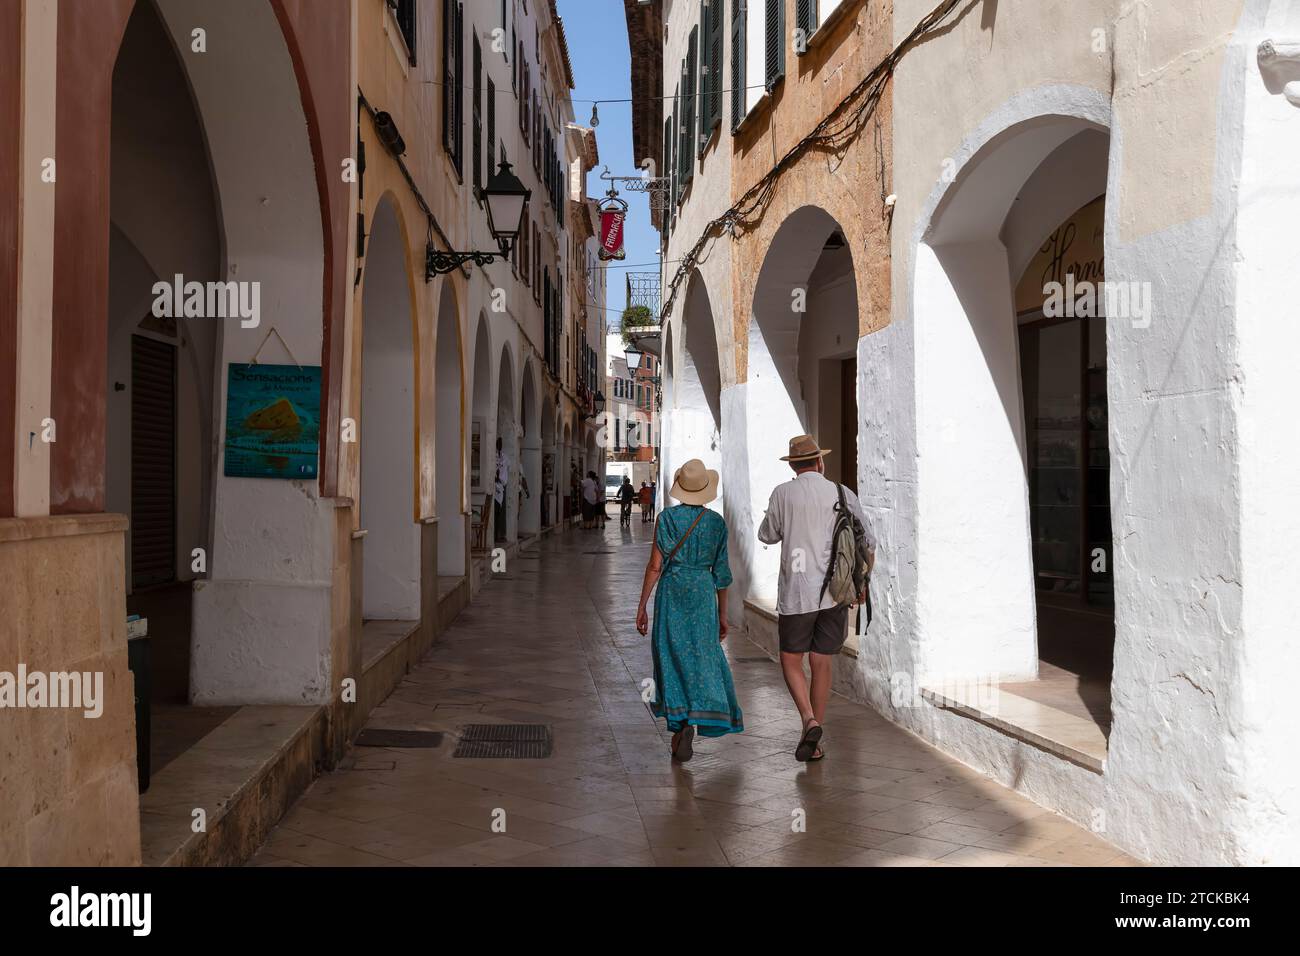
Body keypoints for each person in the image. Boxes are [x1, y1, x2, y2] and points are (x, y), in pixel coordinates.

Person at [757, 434, 875, 762]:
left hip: (797, 591)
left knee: (791, 659)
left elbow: (767, 534)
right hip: (834, 592)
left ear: (793, 465)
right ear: (820, 462)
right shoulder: (842, 492)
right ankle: (815, 737)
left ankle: (808, 720)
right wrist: (861, 583)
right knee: (821, 661)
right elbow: (868, 540)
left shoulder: (782, 493)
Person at [636, 458, 743, 759]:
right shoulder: (717, 524)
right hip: (702, 592)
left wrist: (642, 605)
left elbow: (655, 566)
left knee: (670, 654)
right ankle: (700, 711)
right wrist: (722, 614)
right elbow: (721, 573)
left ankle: (679, 720)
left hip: (672, 591)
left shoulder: (666, 519)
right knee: (701, 653)